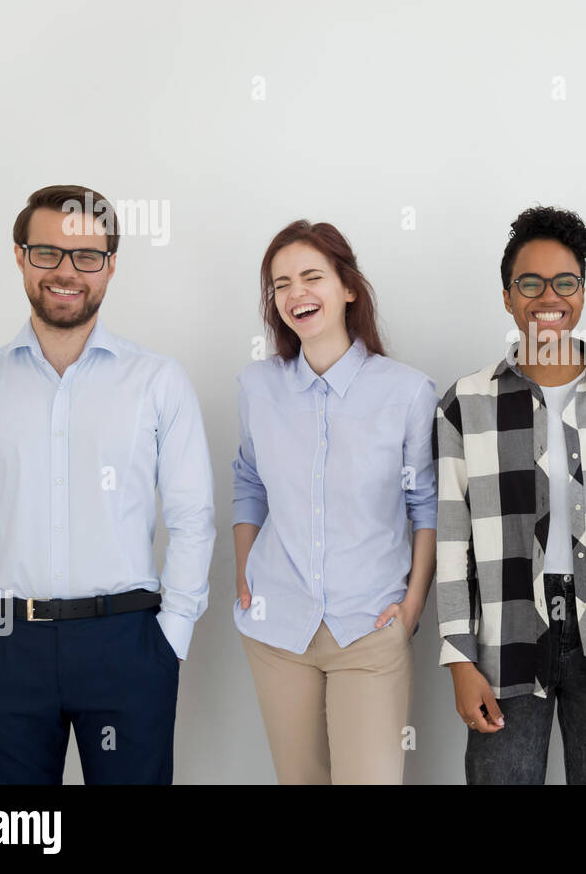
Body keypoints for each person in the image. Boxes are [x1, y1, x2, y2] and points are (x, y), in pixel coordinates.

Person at [0, 184, 215, 784]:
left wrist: (171, 641)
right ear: (19, 255)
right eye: (47, 252)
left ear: (109, 266)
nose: (66, 272)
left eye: (86, 256)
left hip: (130, 646)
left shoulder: (158, 382)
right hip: (2, 648)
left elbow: (192, 519)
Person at [434, 206, 586, 784]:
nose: (549, 296)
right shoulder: (466, 403)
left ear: (583, 293)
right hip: (504, 639)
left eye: (565, 281)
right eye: (530, 283)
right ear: (507, 296)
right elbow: (450, 539)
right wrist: (459, 659)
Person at [232, 220, 436, 784]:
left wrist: (412, 607)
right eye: (281, 284)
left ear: (348, 288)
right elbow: (249, 481)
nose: (296, 292)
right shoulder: (257, 386)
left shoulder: (406, 391)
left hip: (370, 628)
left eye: (311, 276)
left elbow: (426, 506)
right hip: (278, 627)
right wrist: (244, 572)